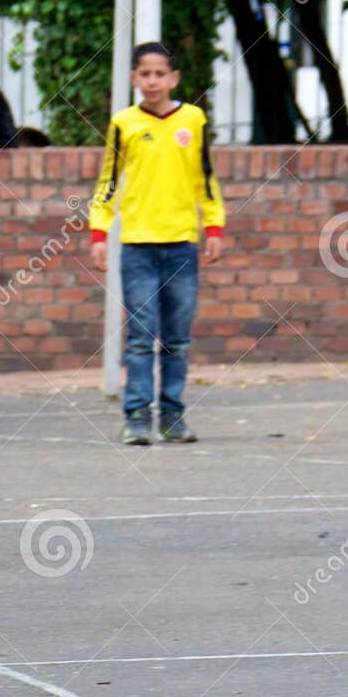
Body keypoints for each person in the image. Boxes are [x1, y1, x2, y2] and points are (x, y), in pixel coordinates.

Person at [90, 41, 225, 445]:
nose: (152, 81)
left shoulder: (194, 120)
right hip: (137, 246)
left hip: (182, 244)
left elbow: (206, 179)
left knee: (178, 337)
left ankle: (172, 415)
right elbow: (107, 183)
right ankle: (135, 416)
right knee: (140, 334)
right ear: (134, 78)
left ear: (174, 78)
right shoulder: (124, 123)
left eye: (159, 74)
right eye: (144, 74)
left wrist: (214, 227)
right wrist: (99, 233)